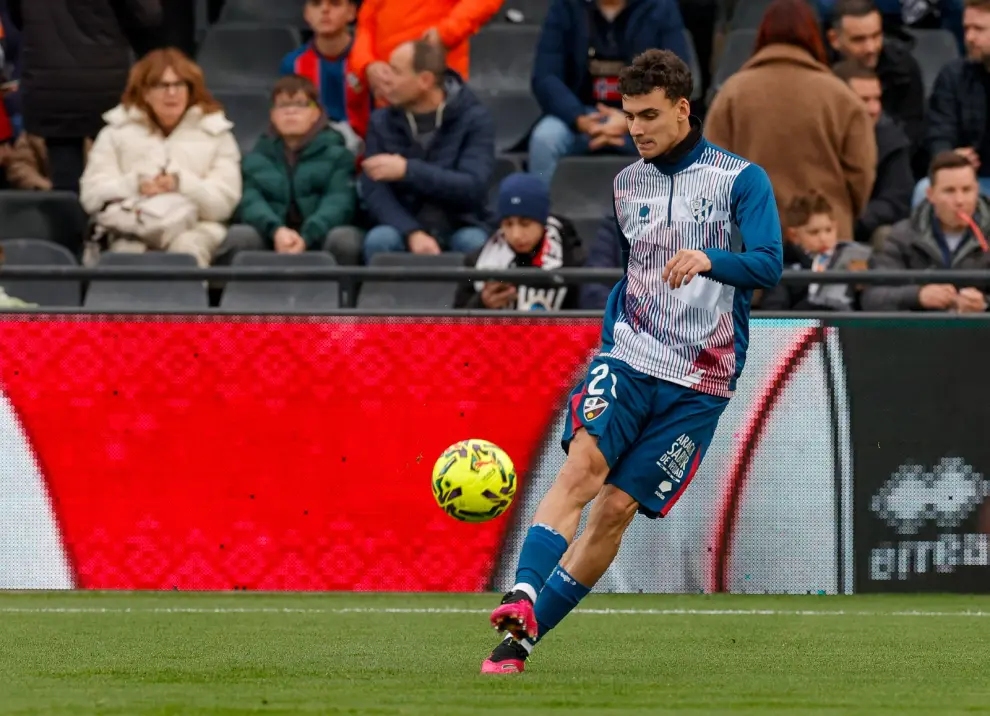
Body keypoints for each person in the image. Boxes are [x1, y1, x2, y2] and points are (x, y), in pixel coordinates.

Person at [480, 49, 783, 674]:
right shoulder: (626, 185)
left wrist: (710, 259)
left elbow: (770, 265)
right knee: (583, 465)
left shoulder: (740, 180)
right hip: (632, 355)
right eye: (628, 116)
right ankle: (522, 595)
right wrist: (614, 336)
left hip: (702, 381)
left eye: (649, 115)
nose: (636, 129)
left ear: (682, 108)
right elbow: (633, 272)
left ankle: (522, 641)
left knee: (616, 510)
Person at [705, 0, 876, 242]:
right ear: (814, 34)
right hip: (826, 236)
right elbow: (862, 172)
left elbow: (712, 169)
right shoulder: (841, 96)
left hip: (752, 236)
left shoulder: (733, 93)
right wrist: (843, 211)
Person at [79, 48, 241, 267]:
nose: (172, 93)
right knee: (128, 250)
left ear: (190, 89)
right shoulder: (114, 133)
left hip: (197, 226)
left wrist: (180, 184)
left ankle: (187, 302)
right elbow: (91, 195)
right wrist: (135, 184)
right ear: (145, 92)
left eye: (179, 84)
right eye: (161, 85)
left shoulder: (216, 134)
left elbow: (223, 204)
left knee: (186, 249)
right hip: (130, 225)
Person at [527, 0, 690, 185]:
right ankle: (539, 213)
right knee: (545, 138)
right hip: (579, 116)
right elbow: (545, 76)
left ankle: (668, 212)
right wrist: (578, 118)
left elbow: (675, 76)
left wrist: (632, 119)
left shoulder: (660, 7)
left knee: (676, 138)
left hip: (645, 117)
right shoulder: (565, 7)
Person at [360, 40, 494, 263]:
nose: (385, 78)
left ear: (425, 80)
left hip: (459, 222)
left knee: (475, 243)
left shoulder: (474, 119)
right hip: (402, 223)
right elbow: (374, 190)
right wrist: (412, 232)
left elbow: (473, 186)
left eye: (395, 71)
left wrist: (407, 170)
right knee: (380, 240)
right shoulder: (381, 121)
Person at [9, 0, 163, 193]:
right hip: (105, 80)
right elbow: (148, 15)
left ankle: (68, 221)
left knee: (65, 185)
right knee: (114, 176)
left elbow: (17, 17)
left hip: (51, 82)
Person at [218, 76, 362, 266]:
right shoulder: (256, 157)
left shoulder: (339, 156)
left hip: (320, 234)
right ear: (272, 115)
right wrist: (276, 231)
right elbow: (250, 201)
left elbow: (339, 202)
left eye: (301, 104)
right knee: (239, 236)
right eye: (283, 105)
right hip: (272, 235)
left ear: (316, 113)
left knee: (345, 240)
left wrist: (307, 236)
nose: (291, 111)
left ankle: (344, 296)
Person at [862, 150, 990, 311]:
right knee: (828, 332)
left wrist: (984, 304)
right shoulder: (901, 236)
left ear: (977, 190)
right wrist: (918, 296)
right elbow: (873, 298)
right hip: (919, 333)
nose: (960, 200)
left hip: (980, 334)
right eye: (949, 191)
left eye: (967, 190)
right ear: (930, 194)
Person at [455, 173, 585, 310]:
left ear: (542, 222)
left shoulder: (571, 258)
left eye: (525, 224)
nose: (516, 235)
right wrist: (482, 304)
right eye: (508, 224)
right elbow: (454, 325)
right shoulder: (478, 261)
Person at [350, 0, 502, 106]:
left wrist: (446, 34)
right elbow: (366, 23)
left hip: (437, 91)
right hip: (388, 96)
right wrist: (367, 65)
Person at [826, 0, 925, 153]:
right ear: (834, 40)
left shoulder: (903, 69)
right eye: (859, 39)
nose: (871, 48)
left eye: (876, 36)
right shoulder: (820, 72)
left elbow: (911, 131)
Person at [833, 61, 913, 243]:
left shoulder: (892, 141)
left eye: (877, 99)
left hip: (865, 230)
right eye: (863, 100)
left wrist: (852, 220)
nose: (874, 109)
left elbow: (897, 202)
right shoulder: (818, 139)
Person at [920, 0, 990, 205]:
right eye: (966, 28)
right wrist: (951, 158)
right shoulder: (953, 75)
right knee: (922, 191)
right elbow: (938, 133)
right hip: (964, 178)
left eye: (979, 29)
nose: (969, 37)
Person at [280, 0, 369, 151]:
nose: (325, 10)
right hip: (313, 154)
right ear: (307, 14)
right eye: (316, 4)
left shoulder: (369, 63)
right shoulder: (293, 64)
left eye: (335, 4)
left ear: (351, 12)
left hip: (367, 155)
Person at [760, 193, 872, 310]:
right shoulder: (781, 267)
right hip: (804, 325)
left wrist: (861, 287)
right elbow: (773, 313)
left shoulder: (851, 256)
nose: (823, 238)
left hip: (845, 324)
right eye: (814, 232)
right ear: (793, 235)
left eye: (828, 230)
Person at [3, 133, 92, 191]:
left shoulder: (101, 129)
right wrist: (47, 188)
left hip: (95, 198)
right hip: (47, 201)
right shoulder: (35, 130)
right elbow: (19, 166)